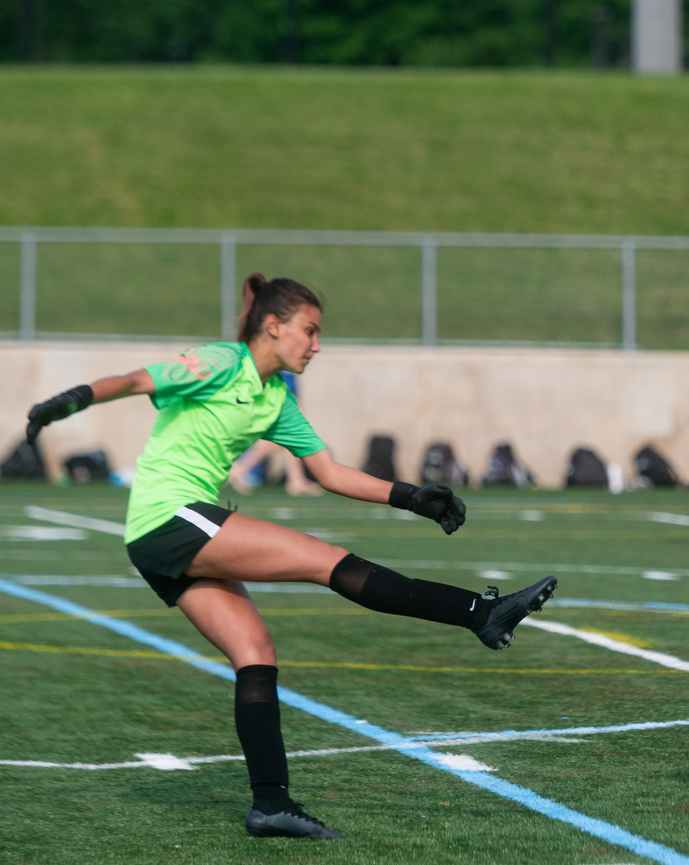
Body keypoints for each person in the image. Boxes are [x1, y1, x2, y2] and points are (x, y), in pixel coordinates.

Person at [24, 274, 558, 840]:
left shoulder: (276, 397)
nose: (316, 344)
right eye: (310, 330)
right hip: (169, 516)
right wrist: (69, 401)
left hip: (160, 539)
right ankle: (478, 612)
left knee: (255, 651)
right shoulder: (220, 361)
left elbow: (329, 473)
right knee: (324, 560)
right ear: (273, 326)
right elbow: (134, 380)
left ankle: (270, 804)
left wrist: (411, 497)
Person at [228, 373, 322, 496]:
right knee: (286, 428)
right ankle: (242, 467)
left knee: (290, 427)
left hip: (286, 374)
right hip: (278, 374)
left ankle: (296, 479)